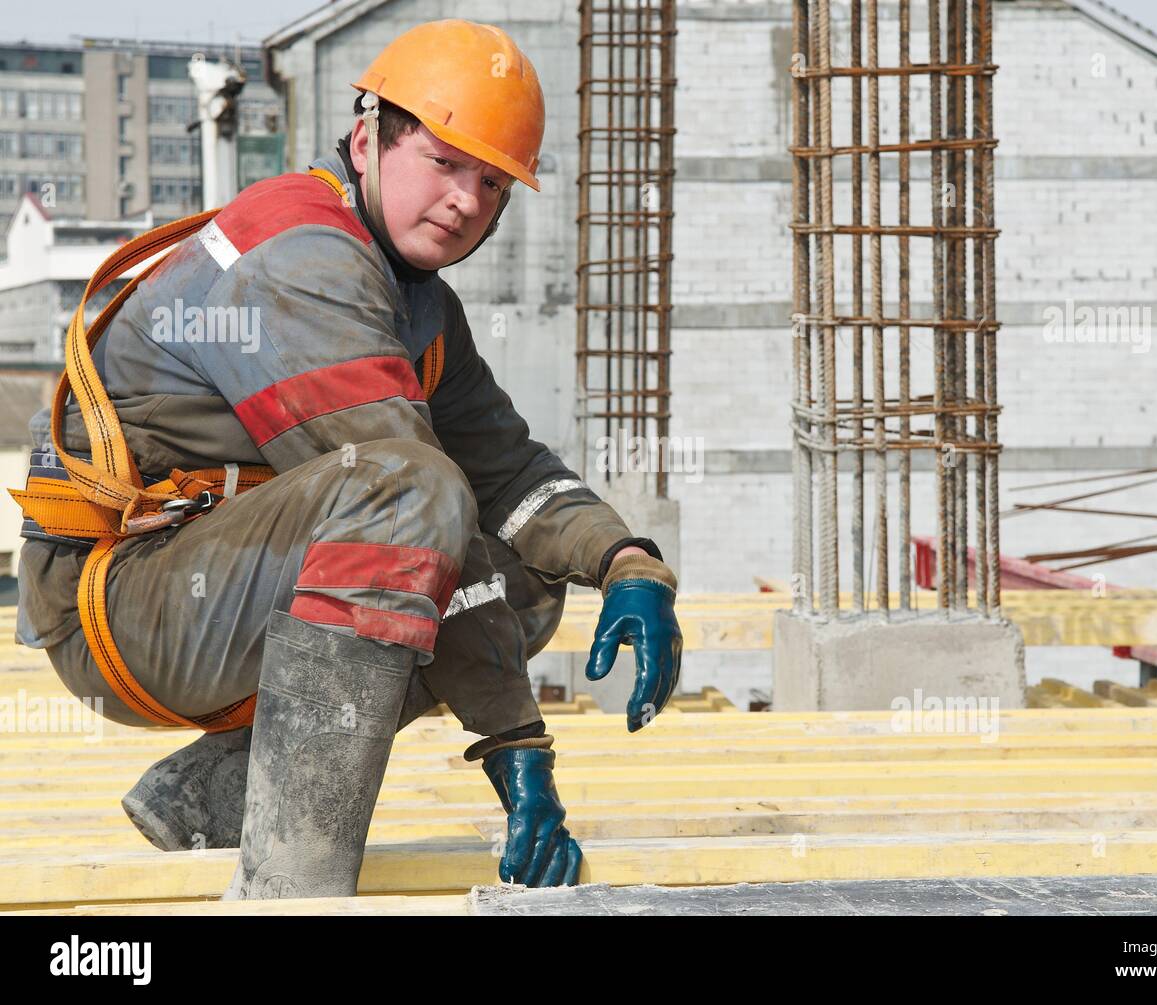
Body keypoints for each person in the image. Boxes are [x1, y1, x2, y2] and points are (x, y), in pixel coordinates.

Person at [10, 19, 682, 899]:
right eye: (444, 163)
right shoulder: (301, 258)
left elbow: (509, 475)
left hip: (216, 583)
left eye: (491, 182)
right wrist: (516, 742)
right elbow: (408, 494)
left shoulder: (417, 303)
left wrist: (628, 564)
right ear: (368, 138)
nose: (467, 201)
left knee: (523, 574)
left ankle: (217, 790)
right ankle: (293, 883)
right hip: (124, 605)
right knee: (410, 496)